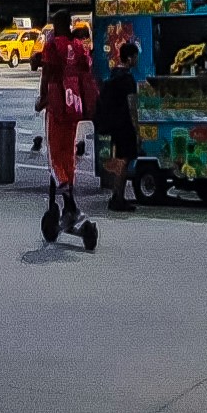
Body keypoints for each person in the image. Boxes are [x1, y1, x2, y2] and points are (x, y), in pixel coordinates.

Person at [36, 14, 99, 246]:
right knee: (68, 155)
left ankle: (70, 206)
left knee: (54, 159)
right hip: (74, 107)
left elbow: (47, 74)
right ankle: (70, 203)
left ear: (57, 25)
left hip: (56, 105)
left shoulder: (53, 46)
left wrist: (42, 99)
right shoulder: (78, 47)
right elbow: (86, 74)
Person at [98, 29, 141, 212]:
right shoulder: (128, 79)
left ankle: (117, 196)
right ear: (130, 58)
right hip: (124, 125)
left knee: (120, 159)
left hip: (114, 124)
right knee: (124, 160)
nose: (137, 60)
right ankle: (118, 197)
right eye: (135, 57)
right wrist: (137, 129)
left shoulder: (114, 75)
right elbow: (132, 105)